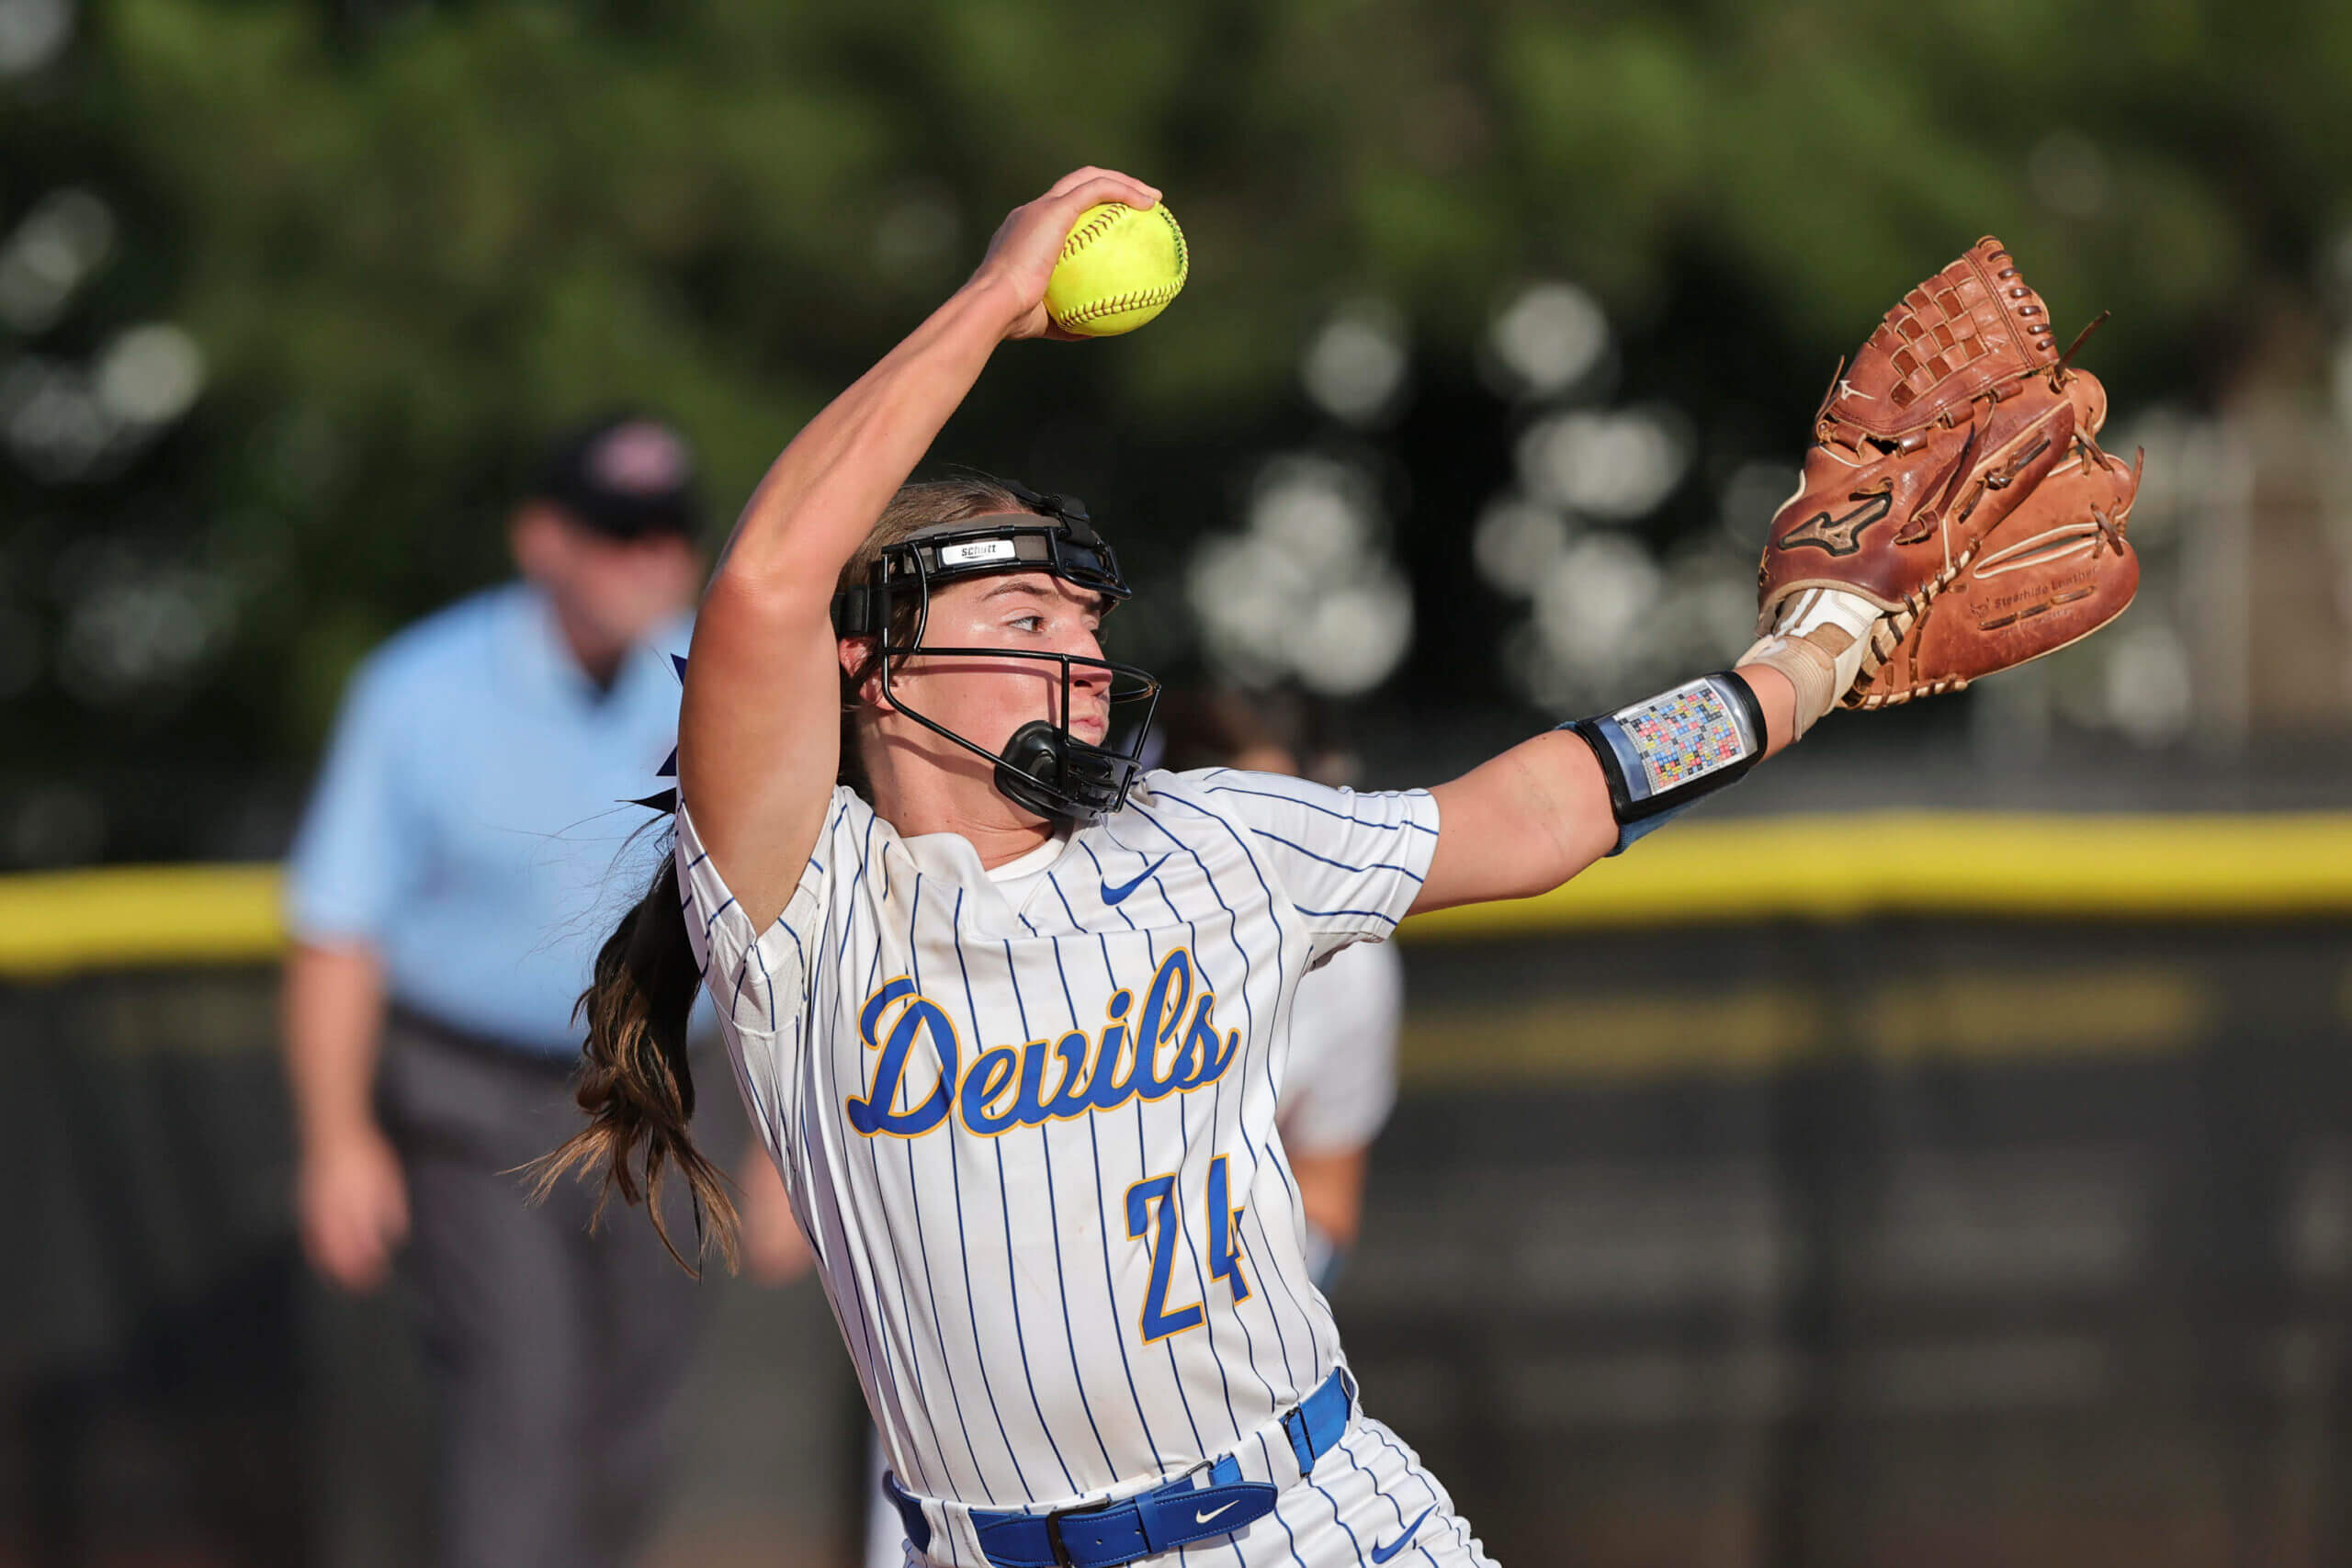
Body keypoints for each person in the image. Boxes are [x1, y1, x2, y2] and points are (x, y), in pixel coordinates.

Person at [537, 167, 1854, 1568]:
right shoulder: (805, 910)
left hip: (1318, 1520)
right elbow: (765, 583)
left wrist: (1800, 665)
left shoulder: (1212, 836)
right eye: (1027, 609)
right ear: (869, 665)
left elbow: (1531, 814)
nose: (1084, 657)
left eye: (1091, 622)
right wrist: (994, 300)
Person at [280, 413, 799, 1568]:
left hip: (675, 1089)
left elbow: (780, 939)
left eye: (663, 533)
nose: (642, 559)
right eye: (611, 530)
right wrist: (335, 1140)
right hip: (476, 1096)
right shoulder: (417, 687)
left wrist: (781, 1149)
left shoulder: (726, 683)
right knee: (524, 1399)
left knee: (635, 1419)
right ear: (541, 540)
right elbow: (336, 931)